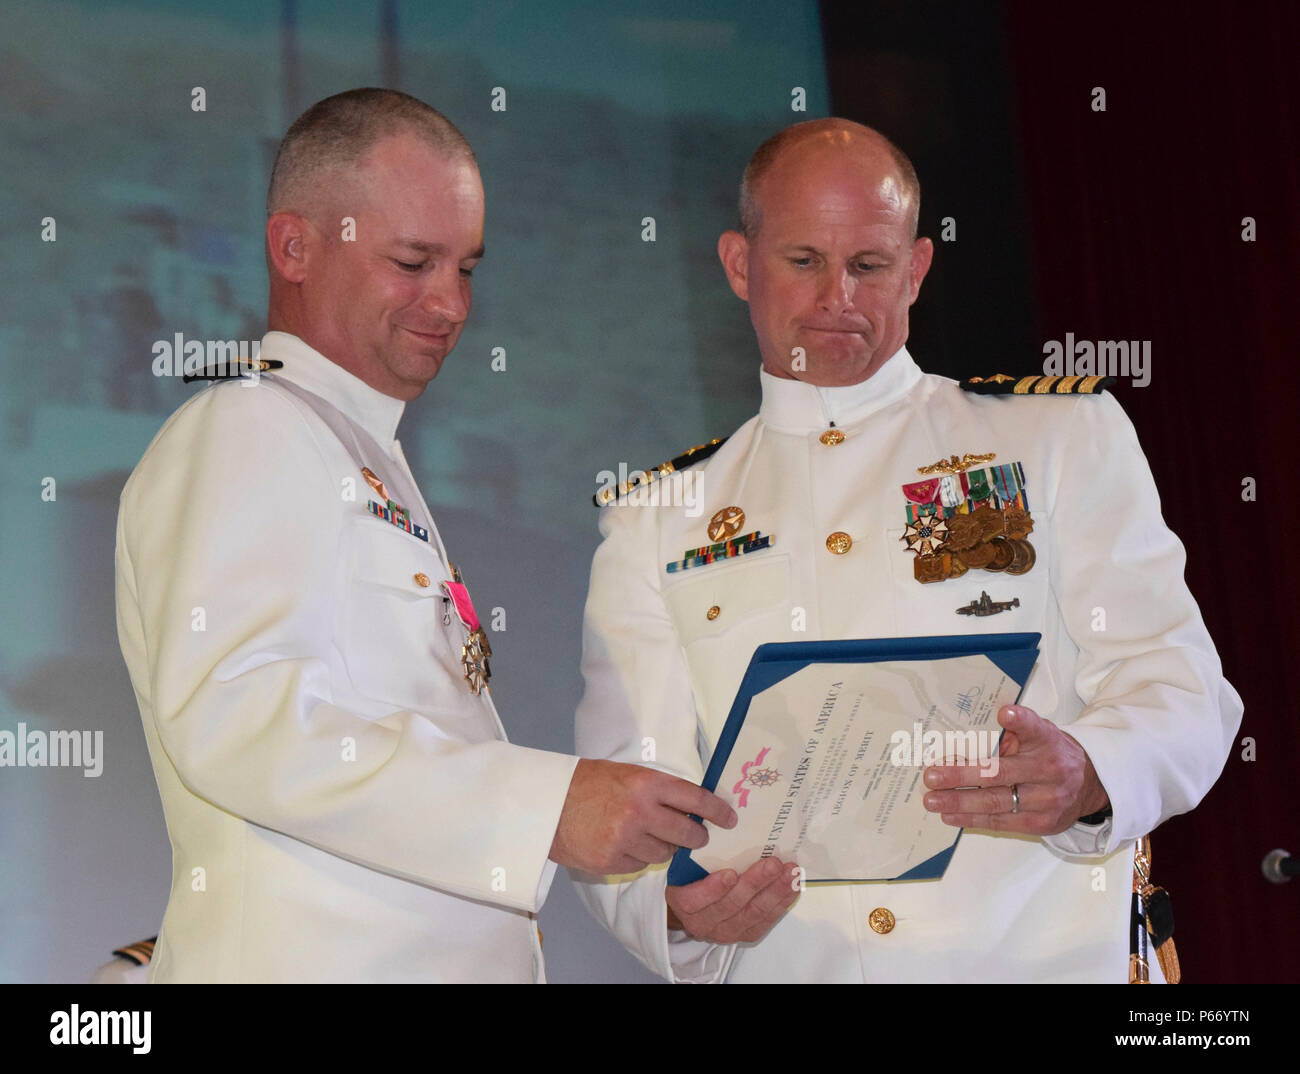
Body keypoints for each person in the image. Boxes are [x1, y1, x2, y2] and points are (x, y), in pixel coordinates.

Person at [572, 118, 1242, 983]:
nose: (838, 297)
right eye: (804, 260)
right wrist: (673, 909)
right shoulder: (659, 519)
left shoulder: (1055, 438)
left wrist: (1090, 772)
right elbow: (628, 787)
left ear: (917, 269)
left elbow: (1183, 691)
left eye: (870, 264)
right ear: (740, 265)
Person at [114, 88, 734, 983]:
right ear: (294, 247)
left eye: (467, 268)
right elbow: (236, 716)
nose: (449, 303)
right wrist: (545, 805)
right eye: (413, 262)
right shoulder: (250, 426)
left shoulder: (359, 450)